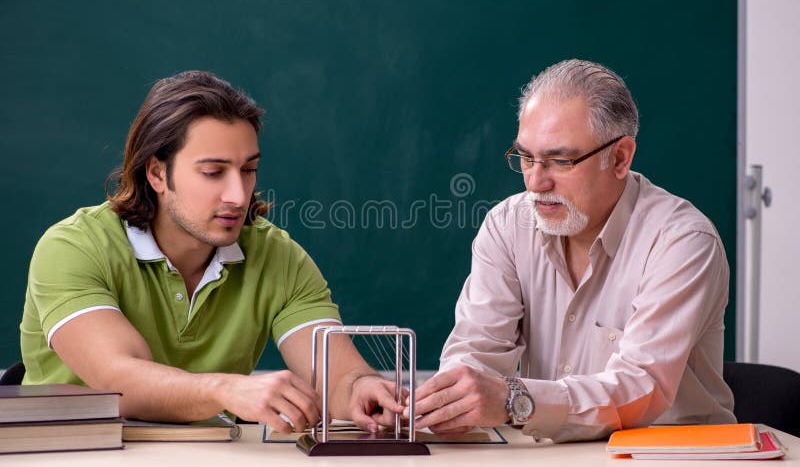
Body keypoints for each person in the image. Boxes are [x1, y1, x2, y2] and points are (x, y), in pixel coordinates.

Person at [19, 71, 402, 433]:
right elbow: (120, 379)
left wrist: (363, 389)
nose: (238, 195)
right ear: (156, 174)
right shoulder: (72, 247)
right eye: (213, 172)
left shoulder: (277, 255)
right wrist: (226, 390)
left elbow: (336, 376)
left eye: (248, 169)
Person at [412, 59, 736, 442]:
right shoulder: (507, 226)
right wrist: (447, 400)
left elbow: (640, 386)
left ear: (619, 158)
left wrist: (516, 400)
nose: (535, 182)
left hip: (670, 455)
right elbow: (476, 349)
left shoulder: (682, 242)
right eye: (526, 157)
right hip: (553, 454)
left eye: (560, 161)